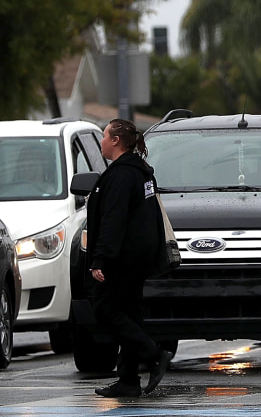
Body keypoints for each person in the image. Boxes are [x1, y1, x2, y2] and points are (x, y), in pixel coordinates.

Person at [87, 119, 172, 398]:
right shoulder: (138, 172)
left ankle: (154, 354)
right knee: (129, 315)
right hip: (135, 257)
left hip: (122, 259)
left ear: (115, 141)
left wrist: (101, 259)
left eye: (103, 136)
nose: (101, 141)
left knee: (105, 309)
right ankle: (128, 379)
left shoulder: (123, 175)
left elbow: (114, 220)